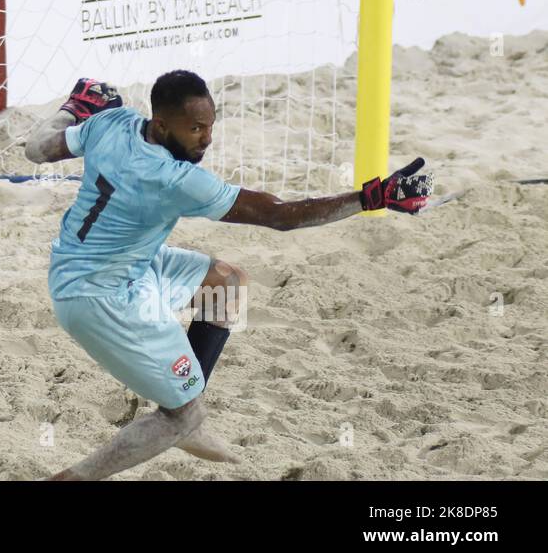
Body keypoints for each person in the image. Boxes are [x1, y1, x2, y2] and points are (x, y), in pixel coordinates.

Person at [24, 72, 430, 480]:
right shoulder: (175, 180)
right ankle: (108, 460)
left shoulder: (112, 122)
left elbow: (36, 150)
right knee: (180, 417)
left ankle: (184, 410)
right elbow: (279, 216)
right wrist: (367, 198)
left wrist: (71, 109)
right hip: (100, 297)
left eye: (210, 125)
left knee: (225, 283)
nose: (207, 139)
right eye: (196, 128)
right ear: (163, 125)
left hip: (116, 261)